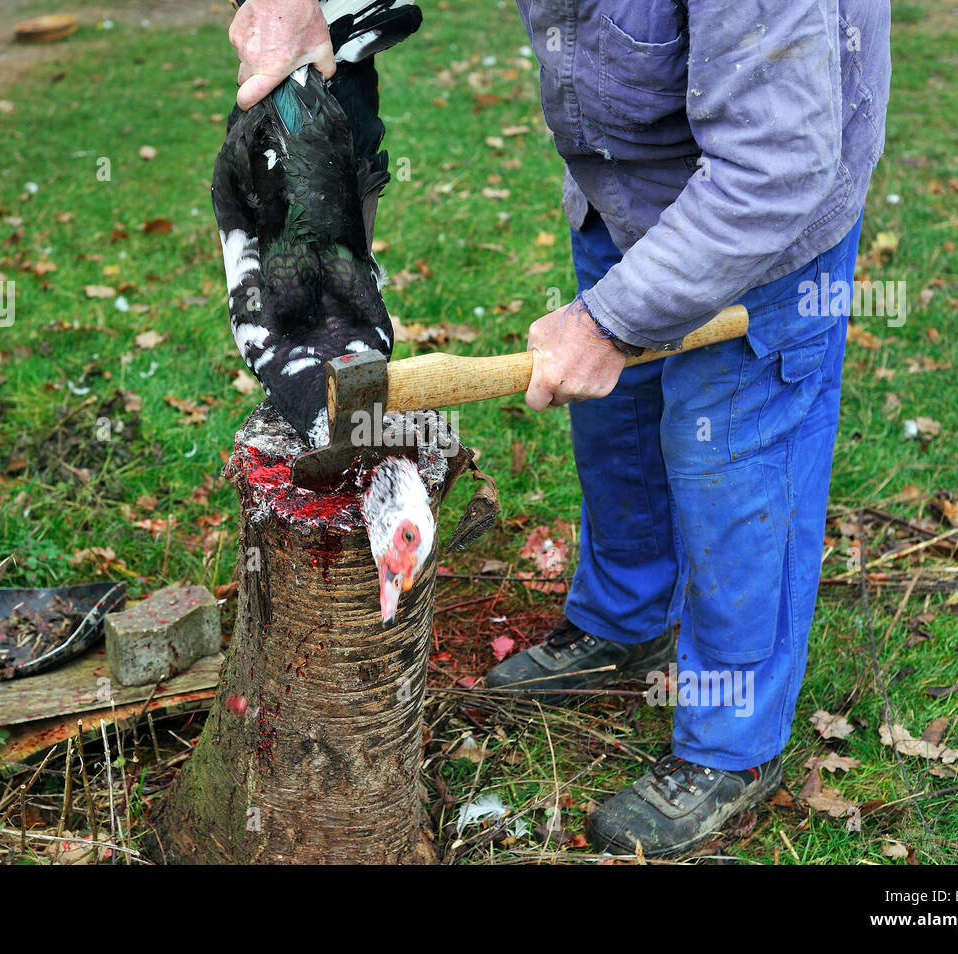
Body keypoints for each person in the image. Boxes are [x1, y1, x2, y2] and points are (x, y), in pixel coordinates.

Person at [230, 0, 891, 858]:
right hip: (624, 183)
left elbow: (777, 166)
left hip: (762, 216)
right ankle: (624, 626)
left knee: (733, 460)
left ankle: (733, 746)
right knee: (617, 433)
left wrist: (610, 323)